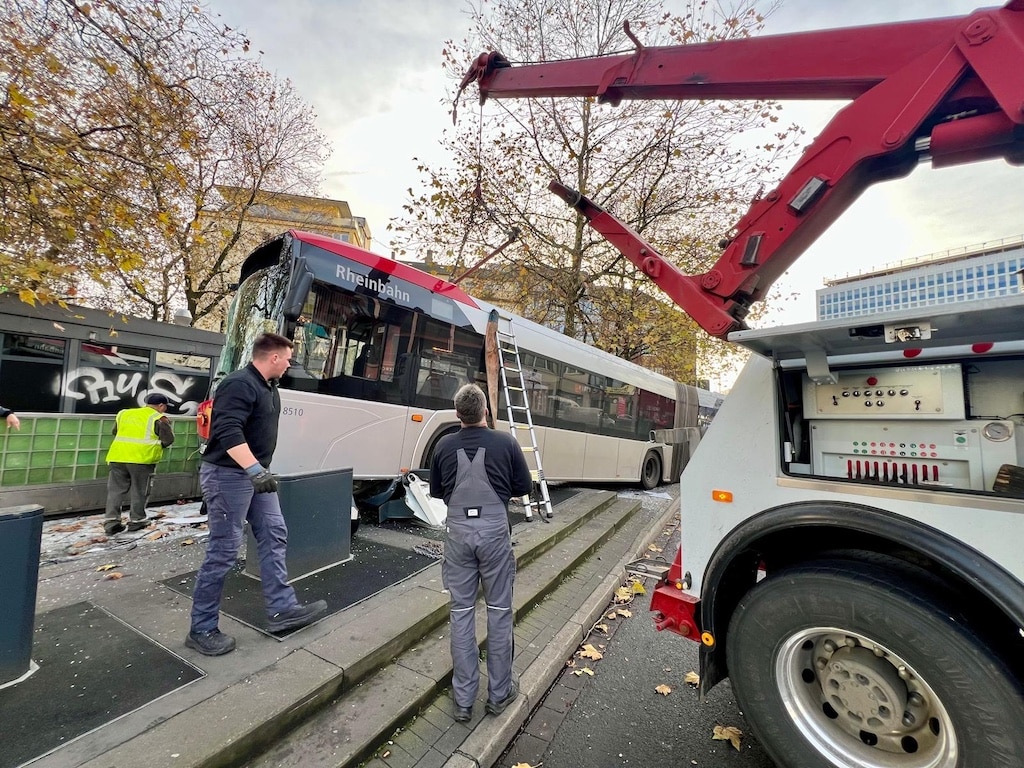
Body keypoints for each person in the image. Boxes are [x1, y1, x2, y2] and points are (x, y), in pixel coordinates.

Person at [187, 332, 327, 656]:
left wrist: (258, 471)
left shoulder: (269, 388)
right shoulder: (239, 383)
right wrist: (255, 470)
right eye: (288, 358)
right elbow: (227, 429)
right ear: (273, 357)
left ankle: (282, 610)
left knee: (275, 533)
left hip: (254, 476)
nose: (290, 363)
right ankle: (201, 628)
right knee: (223, 550)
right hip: (229, 476)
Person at [429, 383, 532, 722]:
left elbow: (438, 491)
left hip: (458, 534)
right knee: (500, 611)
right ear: (485, 410)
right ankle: (499, 695)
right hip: (494, 535)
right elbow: (523, 487)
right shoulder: (506, 442)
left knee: (460, 612)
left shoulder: (443, 445)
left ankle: (463, 701)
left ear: (458, 413)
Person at [103, 392, 175, 535]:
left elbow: (115, 431)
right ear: (161, 406)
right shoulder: (159, 418)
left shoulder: (124, 414)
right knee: (140, 491)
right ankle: (137, 520)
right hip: (142, 459)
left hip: (117, 457)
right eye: (165, 406)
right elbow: (168, 440)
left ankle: (111, 522)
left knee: (115, 491)